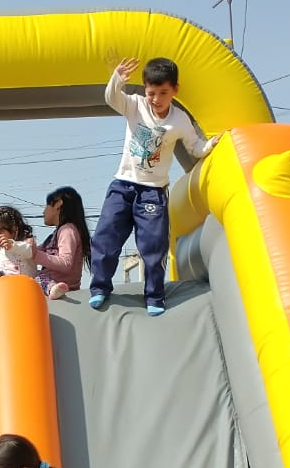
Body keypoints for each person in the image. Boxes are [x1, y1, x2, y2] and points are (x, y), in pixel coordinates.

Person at [89, 57, 218, 317]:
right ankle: (100, 287)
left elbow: (194, 146)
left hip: (153, 191)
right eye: (151, 93)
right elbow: (112, 98)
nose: (156, 99)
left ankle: (154, 295)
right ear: (144, 90)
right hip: (123, 184)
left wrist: (210, 145)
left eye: (163, 93)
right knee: (106, 236)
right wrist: (117, 79)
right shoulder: (135, 105)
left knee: (153, 244)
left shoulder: (179, 120)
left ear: (174, 91)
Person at [0, 204, 69, 299]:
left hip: (27, 283)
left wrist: (12, 245)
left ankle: (52, 289)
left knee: (42, 277)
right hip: (4, 282)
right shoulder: (0, 248)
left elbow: (28, 252)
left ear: (14, 229)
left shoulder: (28, 241)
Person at [34, 186, 90, 295]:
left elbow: (65, 263)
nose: (43, 211)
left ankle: (53, 288)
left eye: (47, 205)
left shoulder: (68, 230)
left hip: (62, 289)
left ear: (58, 204)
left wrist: (34, 254)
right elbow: (32, 252)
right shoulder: (54, 236)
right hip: (50, 289)